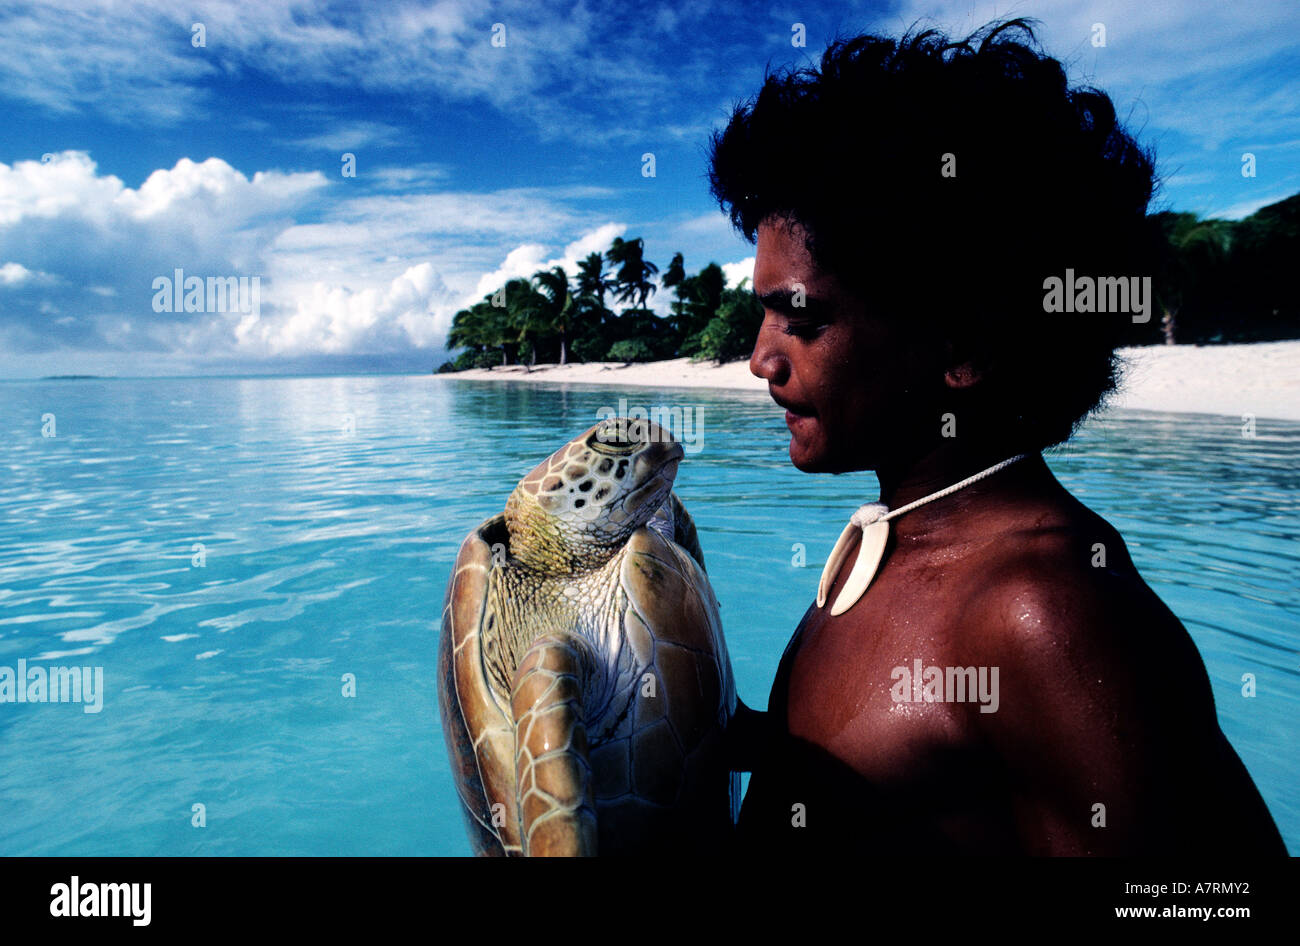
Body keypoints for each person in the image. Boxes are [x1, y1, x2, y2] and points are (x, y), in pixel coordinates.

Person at [710, 19, 1287, 855]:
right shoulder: (903, 541)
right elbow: (894, 777)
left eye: (798, 317)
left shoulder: (1042, 611)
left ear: (963, 347)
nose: (760, 357)